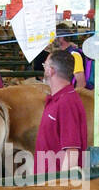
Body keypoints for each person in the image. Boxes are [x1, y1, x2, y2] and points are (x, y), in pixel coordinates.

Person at [34, 49, 87, 177]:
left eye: (45, 66)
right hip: (47, 181)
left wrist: (62, 187)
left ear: (51, 71)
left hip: (55, 186)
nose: (44, 69)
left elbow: (71, 151)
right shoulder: (57, 99)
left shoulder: (67, 103)